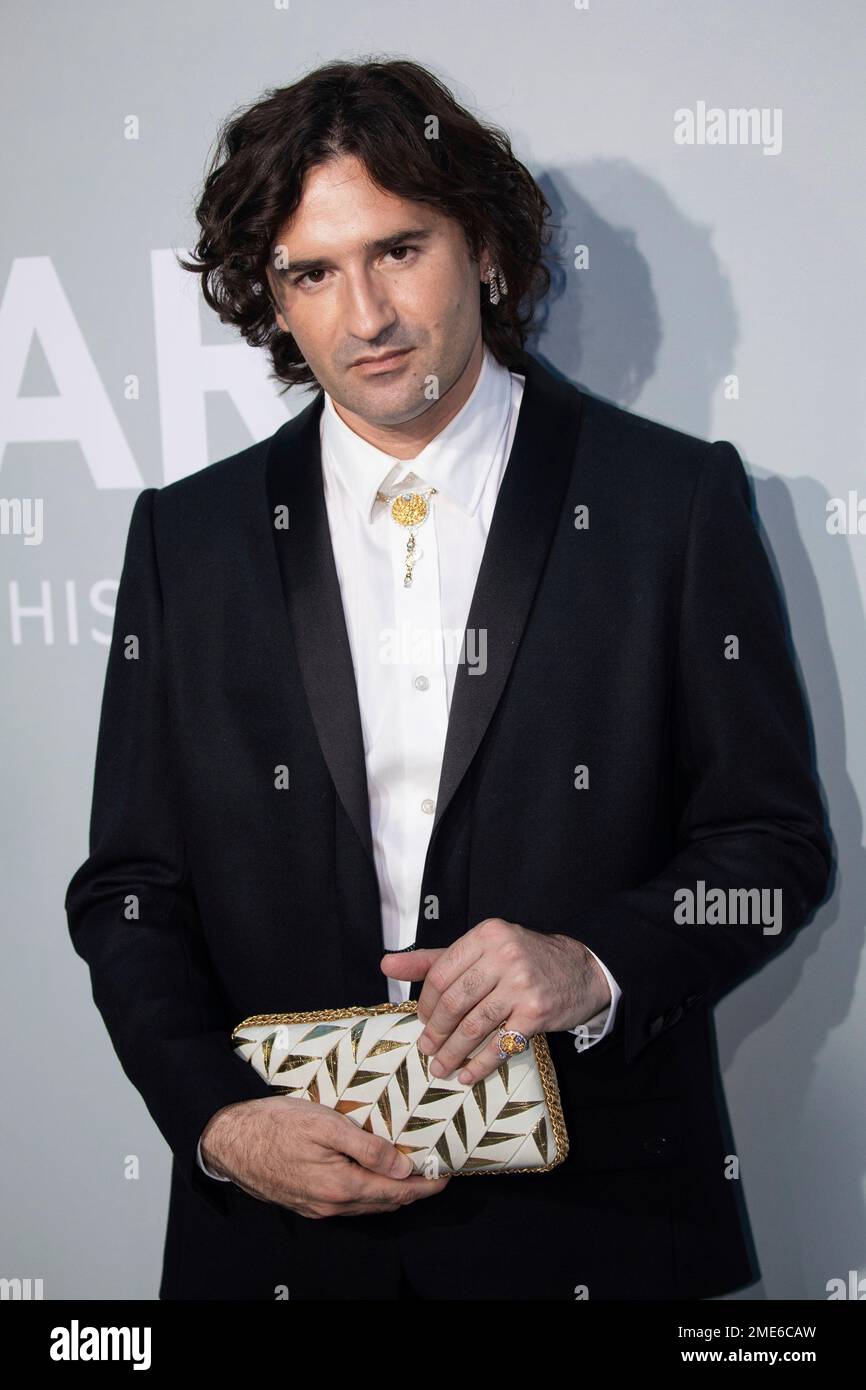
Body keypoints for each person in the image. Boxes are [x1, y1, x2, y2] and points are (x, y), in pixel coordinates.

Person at [65, 57, 831, 1301]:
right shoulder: (186, 540)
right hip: (278, 1244)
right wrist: (218, 1124)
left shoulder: (666, 503)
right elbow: (130, 891)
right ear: (272, 299)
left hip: (599, 1230)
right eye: (311, 273)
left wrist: (595, 960)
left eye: (398, 249)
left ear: (482, 246)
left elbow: (772, 849)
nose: (363, 315)